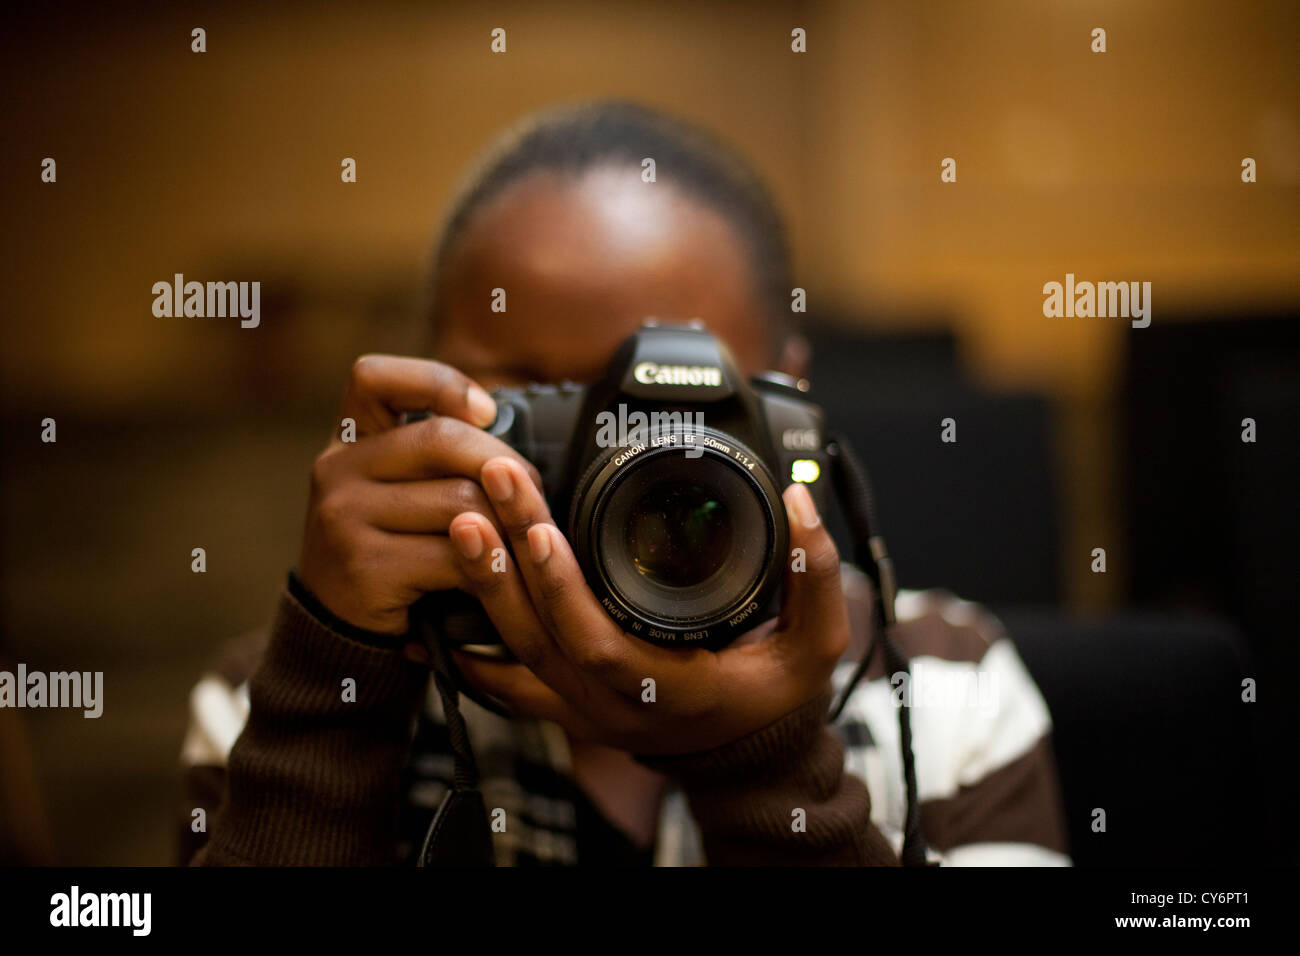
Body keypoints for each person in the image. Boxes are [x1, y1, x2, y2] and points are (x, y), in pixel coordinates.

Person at [179, 101, 1070, 866]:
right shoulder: (277, 696)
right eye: (547, 410)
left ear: (788, 402)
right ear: (423, 401)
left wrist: (761, 761)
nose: (624, 470)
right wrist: (335, 683)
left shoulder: (951, 691)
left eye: (685, 418)